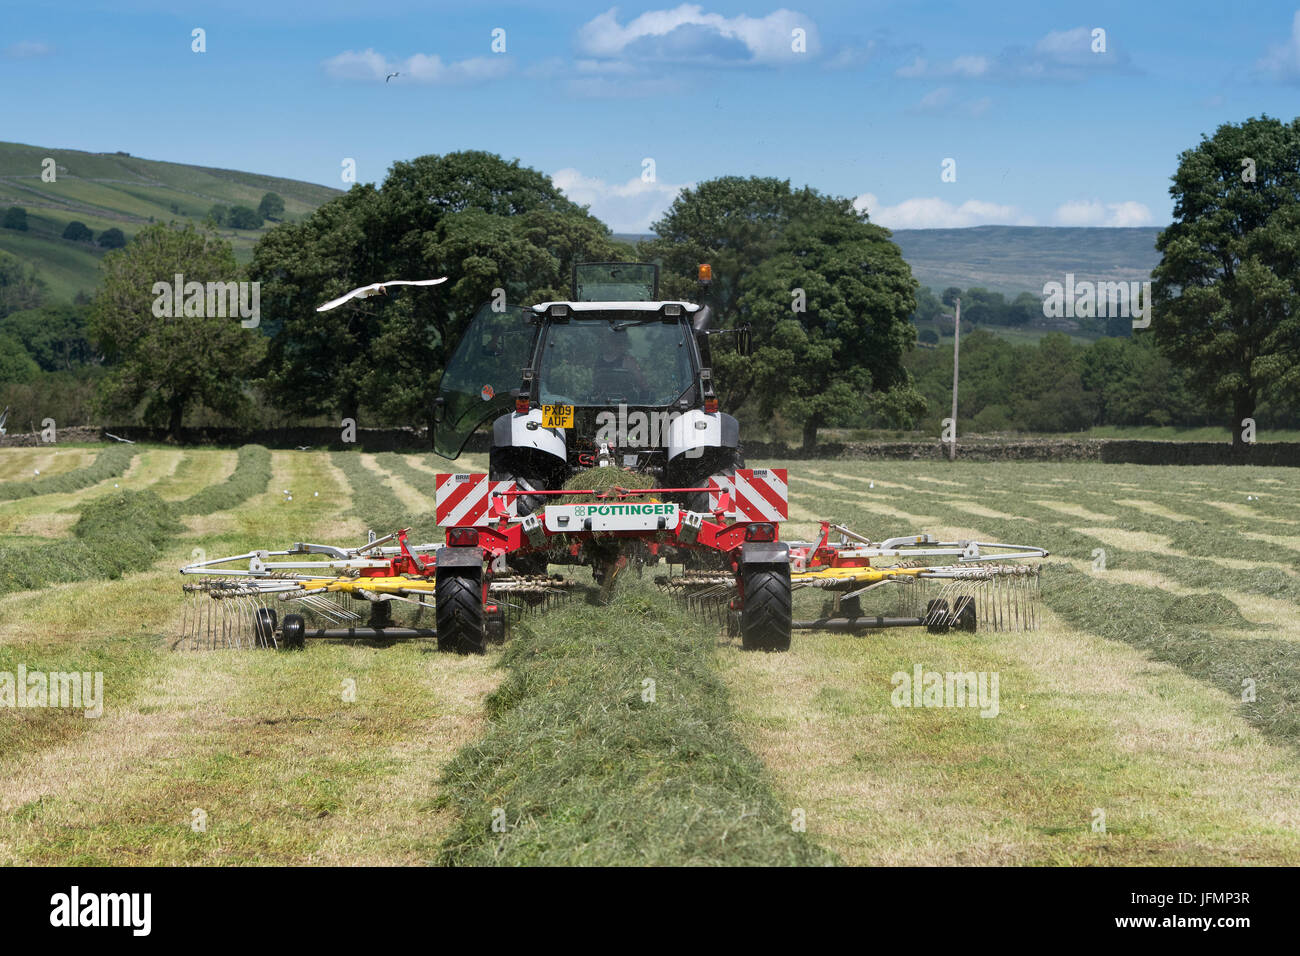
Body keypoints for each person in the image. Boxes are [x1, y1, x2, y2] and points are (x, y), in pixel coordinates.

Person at [592, 330, 650, 400]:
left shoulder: (598, 362)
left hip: (605, 404)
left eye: (620, 342)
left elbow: (595, 385)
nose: (619, 345)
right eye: (617, 342)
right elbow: (642, 384)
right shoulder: (629, 362)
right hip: (624, 406)